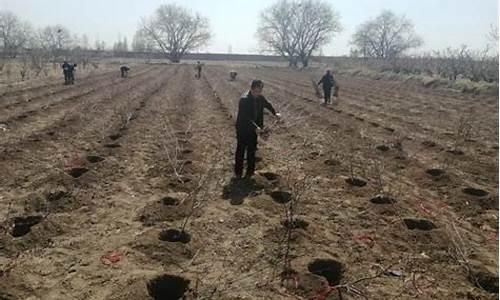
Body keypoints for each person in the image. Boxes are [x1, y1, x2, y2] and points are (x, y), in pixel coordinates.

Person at [234, 79, 280, 179]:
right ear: (251, 88)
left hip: (254, 129)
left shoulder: (260, 97)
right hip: (243, 128)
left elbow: (267, 104)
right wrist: (256, 127)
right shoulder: (244, 100)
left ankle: (250, 171)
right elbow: (245, 117)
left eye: (260, 91)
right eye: (256, 91)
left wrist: (274, 113)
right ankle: (238, 173)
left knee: (252, 149)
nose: (258, 93)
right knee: (241, 150)